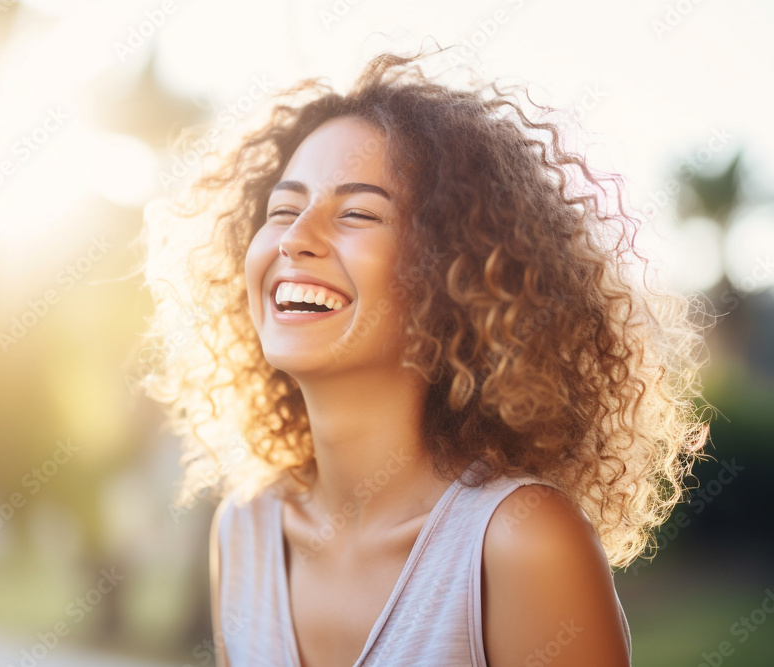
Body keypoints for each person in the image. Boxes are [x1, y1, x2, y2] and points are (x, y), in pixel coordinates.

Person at [136, 46, 709, 666]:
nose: (296, 238)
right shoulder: (244, 529)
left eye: (357, 213)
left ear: (451, 272)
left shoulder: (521, 542)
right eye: (282, 209)